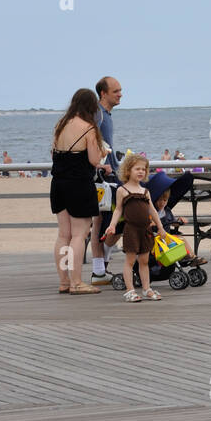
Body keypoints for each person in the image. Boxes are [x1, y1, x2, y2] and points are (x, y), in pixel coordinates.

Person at [49, 88, 106, 295]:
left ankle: (64, 282)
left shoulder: (60, 125)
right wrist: (103, 152)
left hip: (58, 184)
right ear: (92, 106)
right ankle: (77, 283)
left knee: (63, 235)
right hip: (79, 185)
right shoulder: (89, 128)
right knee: (79, 235)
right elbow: (94, 160)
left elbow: (53, 153)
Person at [104, 155, 168, 302]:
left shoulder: (145, 192)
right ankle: (130, 290)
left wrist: (160, 227)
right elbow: (118, 210)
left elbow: (152, 211)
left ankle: (146, 289)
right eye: (137, 169)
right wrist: (112, 225)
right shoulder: (122, 190)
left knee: (144, 261)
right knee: (130, 261)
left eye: (143, 169)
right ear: (128, 170)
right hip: (131, 230)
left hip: (145, 230)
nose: (141, 172)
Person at [90, 76, 122, 286]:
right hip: (101, 177)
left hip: (111, 174)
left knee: (108, 222)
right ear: (103, 93)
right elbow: (89, 142)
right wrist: (100, 166)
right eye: (116, 91)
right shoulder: (98, 115)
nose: (120, 94)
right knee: (101, 222)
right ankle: (98, 271)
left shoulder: (107, 115)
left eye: (121, 91)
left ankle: (102, 269)